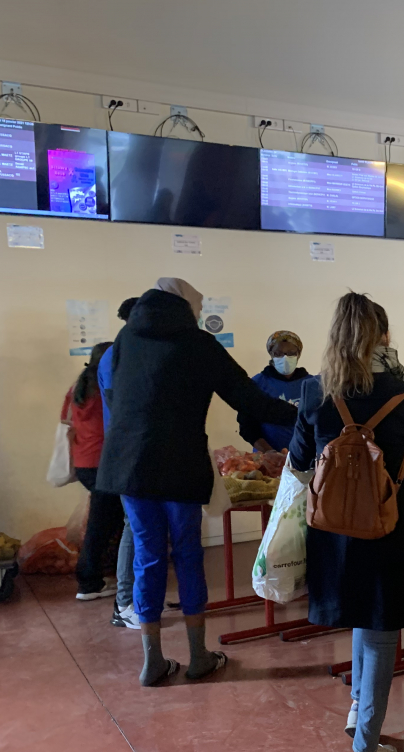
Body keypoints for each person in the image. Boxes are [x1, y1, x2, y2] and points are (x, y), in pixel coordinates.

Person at [288, 291, 404, 752]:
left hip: (333, 527)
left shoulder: (314, 392)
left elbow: (300, 462)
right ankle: (365, 751)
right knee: (382, 630)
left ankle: (356, 708)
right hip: (391, 525)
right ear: (382, 337)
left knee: (359, 618)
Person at [98, 278, 298, 687]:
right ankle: (198, 656)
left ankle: (151, 661)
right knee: (188, 555)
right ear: (187, 306)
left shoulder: (124, 339)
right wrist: (308, 414)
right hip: (179, 463)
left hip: (128, 465)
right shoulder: (198, 343)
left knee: (148, 555)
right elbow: (249, 399)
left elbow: (116, 397)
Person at [62, 342, 125, 603]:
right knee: (103, 524)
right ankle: (89, 581)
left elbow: (66, 421)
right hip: (106, 463)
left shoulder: (77, 388)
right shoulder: (109, 387)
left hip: (84, 463)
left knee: (110, 520)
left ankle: (102, 576)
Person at [98, 297, 141, 629]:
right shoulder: (117, 354)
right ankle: (124, 603)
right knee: (132, 527)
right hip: (128, 454)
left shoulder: (130, 351)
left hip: (140, 452)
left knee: (143, 529)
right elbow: (122, 408)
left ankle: (137, 596)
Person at [238, 330, 314, 453]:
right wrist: (270, 453)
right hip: (267, 459)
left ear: (298, 354)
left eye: (291, 353)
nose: (285, 358)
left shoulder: (312, 384)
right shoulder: (257, 383)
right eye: (278, 354)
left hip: (306, 458)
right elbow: (247, 426)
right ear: (271, 354)